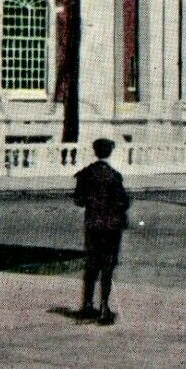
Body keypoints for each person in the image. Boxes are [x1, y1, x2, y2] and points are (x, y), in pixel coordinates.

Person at [72, 137, 130, 326]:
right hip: (112, 226)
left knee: (91, 264)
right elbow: (123, 202)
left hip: (93, 224)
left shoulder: (85, 174)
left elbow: (78, 200)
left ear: (95, 151)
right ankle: (104, 307)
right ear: (110, 151)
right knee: (108, 265)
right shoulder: (114, 175)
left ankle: (87, 304)